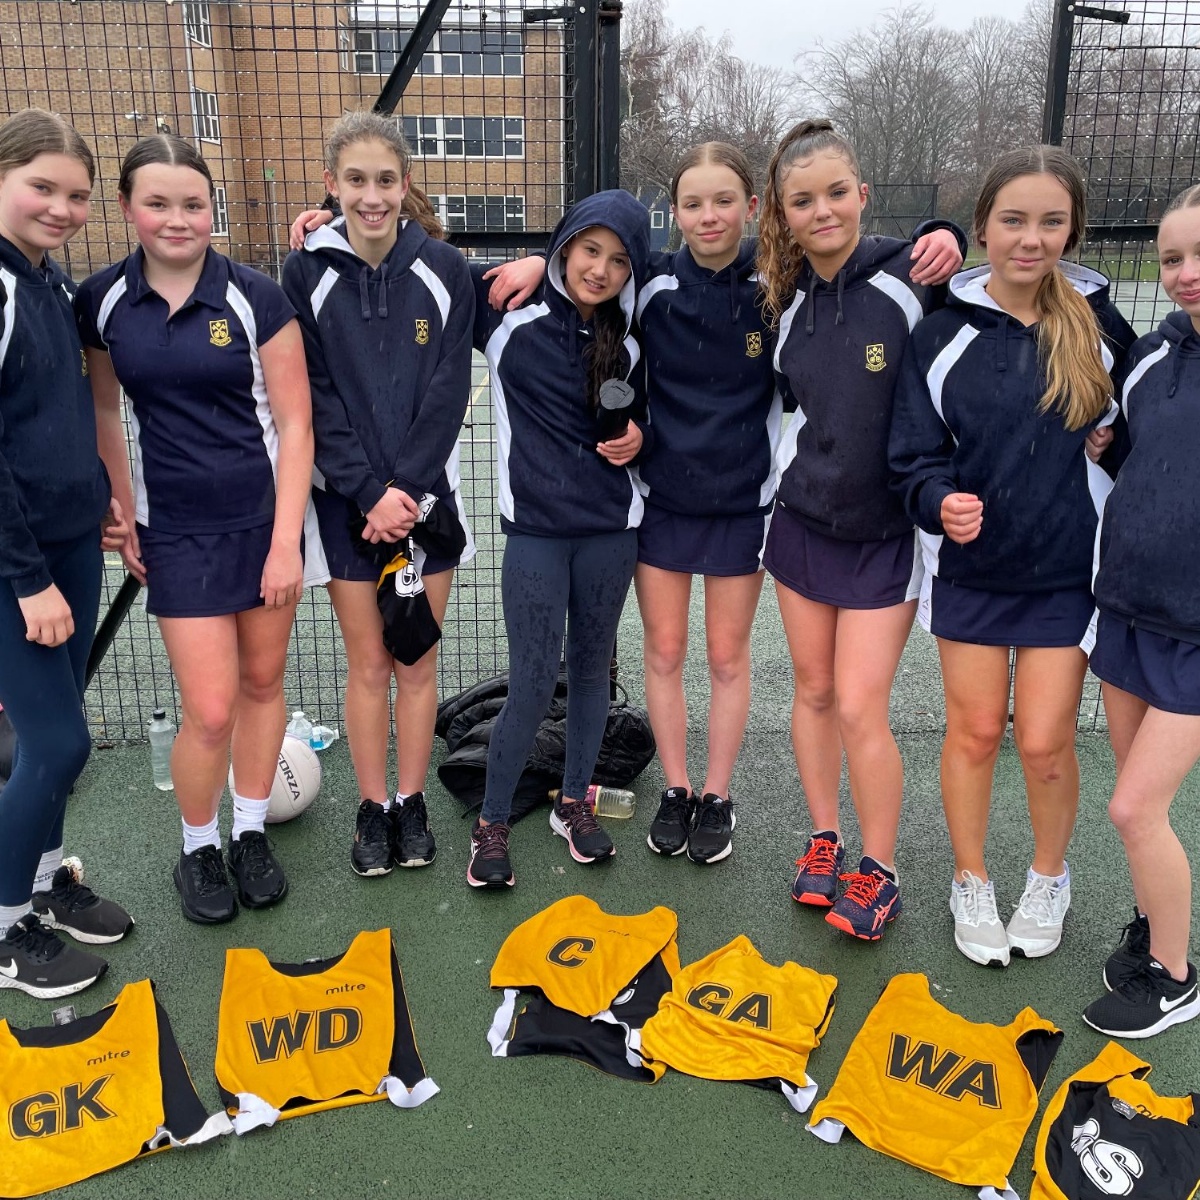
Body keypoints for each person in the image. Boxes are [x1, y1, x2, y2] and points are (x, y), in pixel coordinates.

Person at [484, 141, 960, 871]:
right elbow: (584, 274)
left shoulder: (781, 281)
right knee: (665, 652)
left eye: (724, 201)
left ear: (752, 207)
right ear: (674, 214)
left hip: (744, 505)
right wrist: (532, 262)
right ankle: (676, 790)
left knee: (728, 657)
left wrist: (944, 232)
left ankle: (716, 795)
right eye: (693, 204)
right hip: (662, 503)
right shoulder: (648, 284)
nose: (709, 216)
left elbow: (867, 259)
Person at [889, 145, 1136, 968]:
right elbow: (912, 454)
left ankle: (1049, 877)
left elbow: (1147, 436)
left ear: (1073, 230)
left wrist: (1113, 443)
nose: (1032, 239)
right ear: (983, 226)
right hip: (973, 573)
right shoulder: (940, 334)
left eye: (1051, 222)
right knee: (972, 733)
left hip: (1067, 574)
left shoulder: (1102, 330)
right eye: (1014, 220)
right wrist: (938, 501)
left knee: (1043, 742)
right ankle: (970, 879)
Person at [77, 135, 313, 926]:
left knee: (263, 685)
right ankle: (199, 846)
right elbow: (104, 406)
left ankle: (250, 834)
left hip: (264, 526)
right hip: (174, 532)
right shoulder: (102, 300)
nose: (177, 219)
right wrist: (122, 506)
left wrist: (286, 542)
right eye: (158, 203)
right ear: (126, 208)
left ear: (212, 208)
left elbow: (296, 423)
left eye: (193, 204)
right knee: (210, 709)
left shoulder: (255, 296)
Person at [754, 119, 964, 941]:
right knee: (811, 692)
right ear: (784, 213)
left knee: (858, 704)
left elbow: (992, 288)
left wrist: (945, 232)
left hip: (885, 534)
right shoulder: (782, 297)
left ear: (863, 194)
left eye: (837, 193)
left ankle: (880, 868)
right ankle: (825, 838)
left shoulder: (913, 279)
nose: (823, 211)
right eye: (803, 200)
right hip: (802, 524)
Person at [281, 112, 474, 879]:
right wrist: (368, 493)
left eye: (385, 180)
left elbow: (450, 387)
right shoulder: (304, 272)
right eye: (356, 180)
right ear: (331, 183)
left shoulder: (445, 269)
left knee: (416, 661)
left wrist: (406, 491)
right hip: (347, 508)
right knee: (368, 663)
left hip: (425, 505)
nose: (371, 195)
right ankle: (372, 807)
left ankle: (411, 801)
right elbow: (313, 395)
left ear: (405, 184)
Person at [463, 189, 650, 889]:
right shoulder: (506, 314)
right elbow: (418, 255)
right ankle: (491, 823)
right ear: (565, 247)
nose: (600, 270)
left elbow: (660, 416)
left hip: (611, 532)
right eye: (589, 250)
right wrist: (324, 219)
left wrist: (643, 438)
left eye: (619, 260)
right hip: (537, 534)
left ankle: (573, 804)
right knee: (535, 679)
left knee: (594, 670)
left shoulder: (634, 335)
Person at [0, 108, 134, 998]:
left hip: (70, 543)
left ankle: (46, 883)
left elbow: (56, 417)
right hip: (18, 565)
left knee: (58, 735)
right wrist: (27, 580)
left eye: (78, 195)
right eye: (41, 187)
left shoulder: (49, 282)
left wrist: (101, 504)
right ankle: (6, 926)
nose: (61, 208)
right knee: (54, 744)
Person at [1081, 184, 1200, 1037]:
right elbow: (1130, 455)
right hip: (1126, 609)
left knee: (1134, 807)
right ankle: (1154, 927)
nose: (1187, 273)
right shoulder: (1153, 358)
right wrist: (1104, 445)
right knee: (1134, 802)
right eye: (1172, 259)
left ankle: (1176, 977)